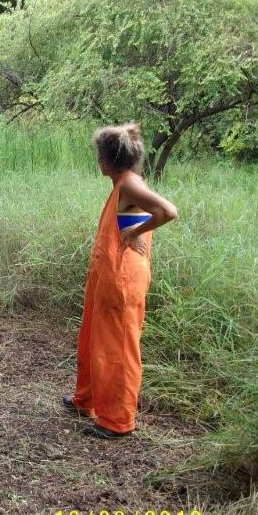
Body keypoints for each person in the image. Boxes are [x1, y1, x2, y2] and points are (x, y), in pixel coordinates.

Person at [63, 124, 178, 439]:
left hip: (122, 277)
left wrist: (133, 232)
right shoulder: (125, 183)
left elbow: (168, 211)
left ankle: (117, 420)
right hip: (108, 272)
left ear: (106, 161)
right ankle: (84, 400)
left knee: (117, 349)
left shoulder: (128, 185)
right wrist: (131, 229)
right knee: (91, 338)